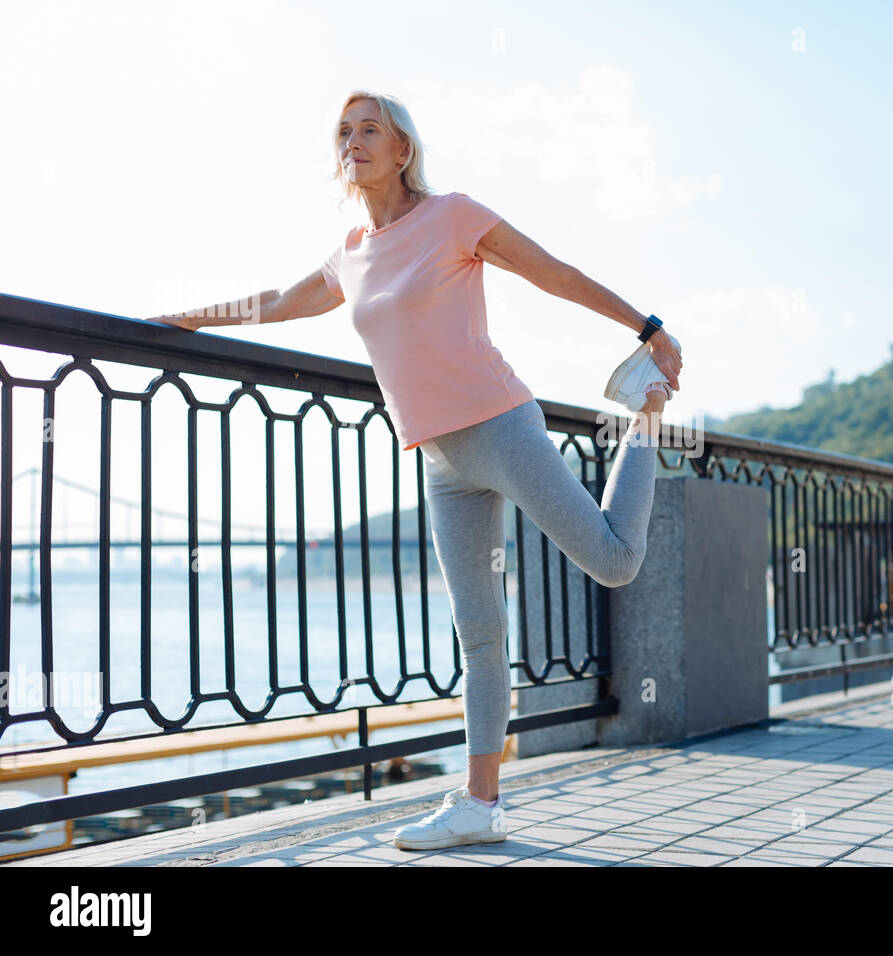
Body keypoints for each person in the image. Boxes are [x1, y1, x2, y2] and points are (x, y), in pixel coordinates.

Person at [143, 90, 683, 851]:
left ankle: (644, 420)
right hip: (438, 457)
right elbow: (282, 300)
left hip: (501, 426)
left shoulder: (452, 216)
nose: (353, 141)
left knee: (615, 563)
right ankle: (480, 805)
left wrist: (648, 328)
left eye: (371, 128)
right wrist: (193, 316)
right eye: (344, 131)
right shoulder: (352, 251)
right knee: (479, 633)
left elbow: (552, 273)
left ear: (403, 150)